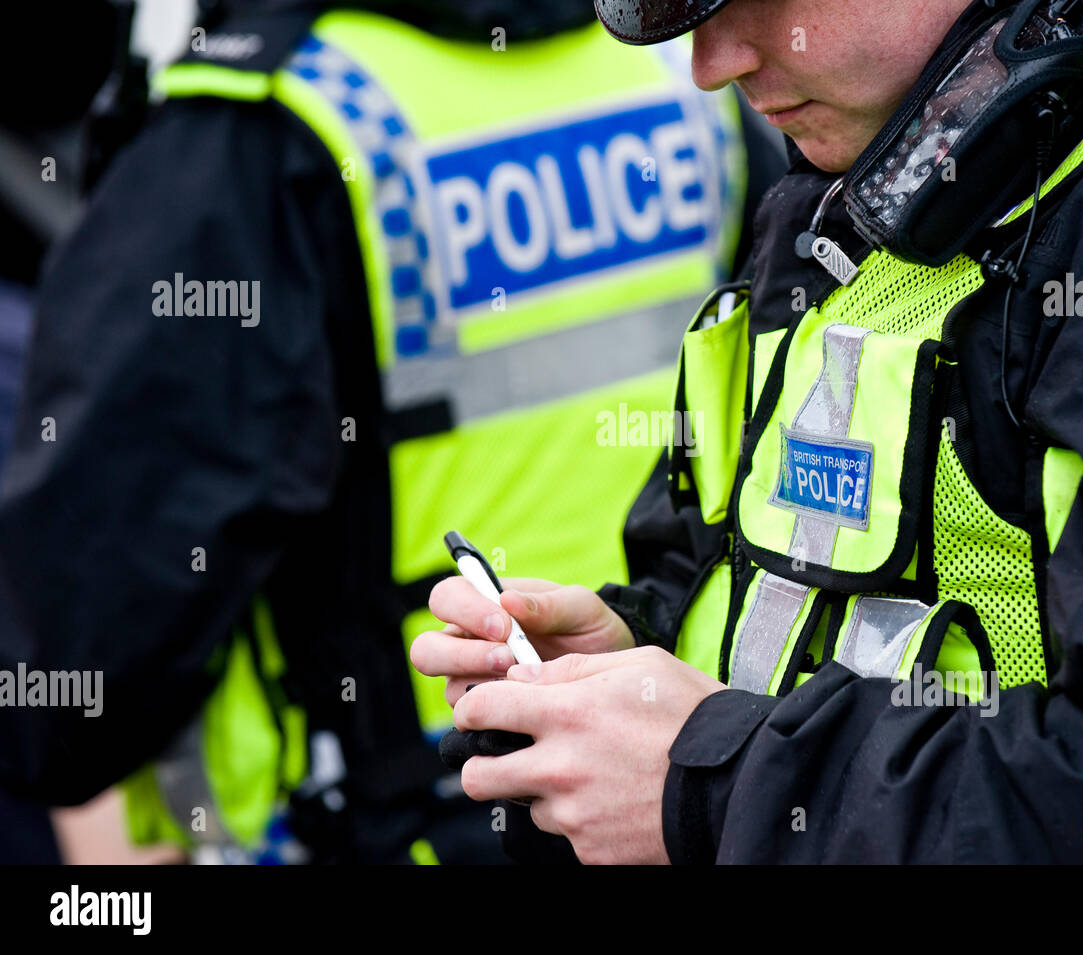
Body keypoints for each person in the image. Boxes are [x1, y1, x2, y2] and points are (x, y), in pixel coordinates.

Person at [414, 0, 1083, 863]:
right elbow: (744, 575)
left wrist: (714, 784)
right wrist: (629, 672)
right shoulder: (858, 165)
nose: (712, 64)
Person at [0, 0, 784, 863]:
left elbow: (66, 691)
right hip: (680, 786)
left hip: (421, 813)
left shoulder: (253, 136)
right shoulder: (687, 68)